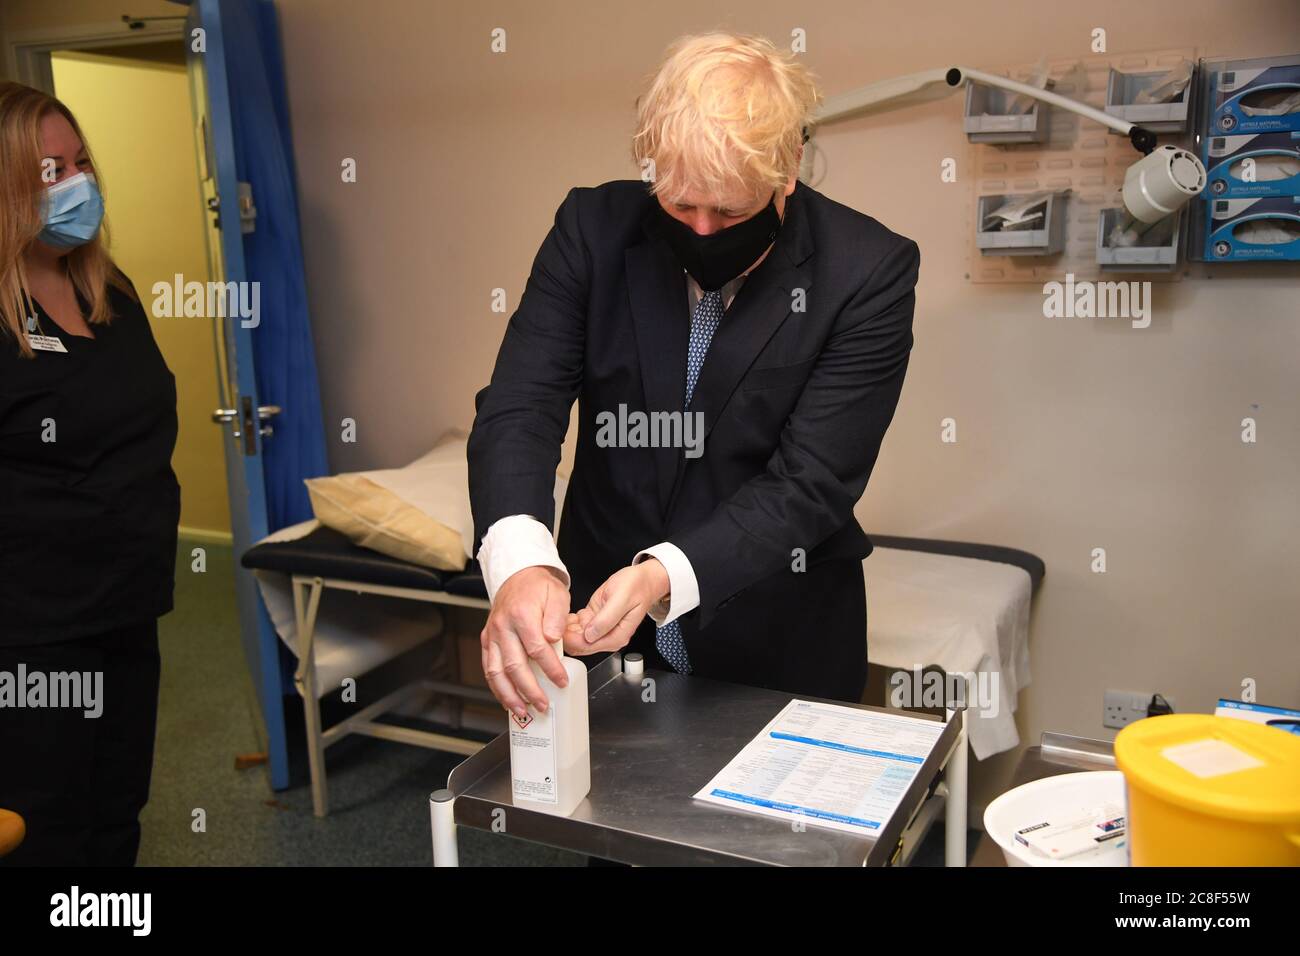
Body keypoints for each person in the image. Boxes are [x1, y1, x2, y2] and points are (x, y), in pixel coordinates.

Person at [469, 32, 920, 722]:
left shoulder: (866, 272)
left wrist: (661, 577)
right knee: (603, 824)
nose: (704, 230)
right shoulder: (591, 231)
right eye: (680, 206)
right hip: (599, 636)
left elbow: (811, 482)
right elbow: (520, 406)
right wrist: (521, 561)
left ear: (790, 165)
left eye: (732, 211)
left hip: (776, 639)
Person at [0, 82, 181, 866]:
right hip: (36, 632)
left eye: (80, 162)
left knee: (119, 808)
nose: (75, 183)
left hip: (128, 609)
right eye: (48, 170)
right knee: (49, 825)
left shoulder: (109, 293)